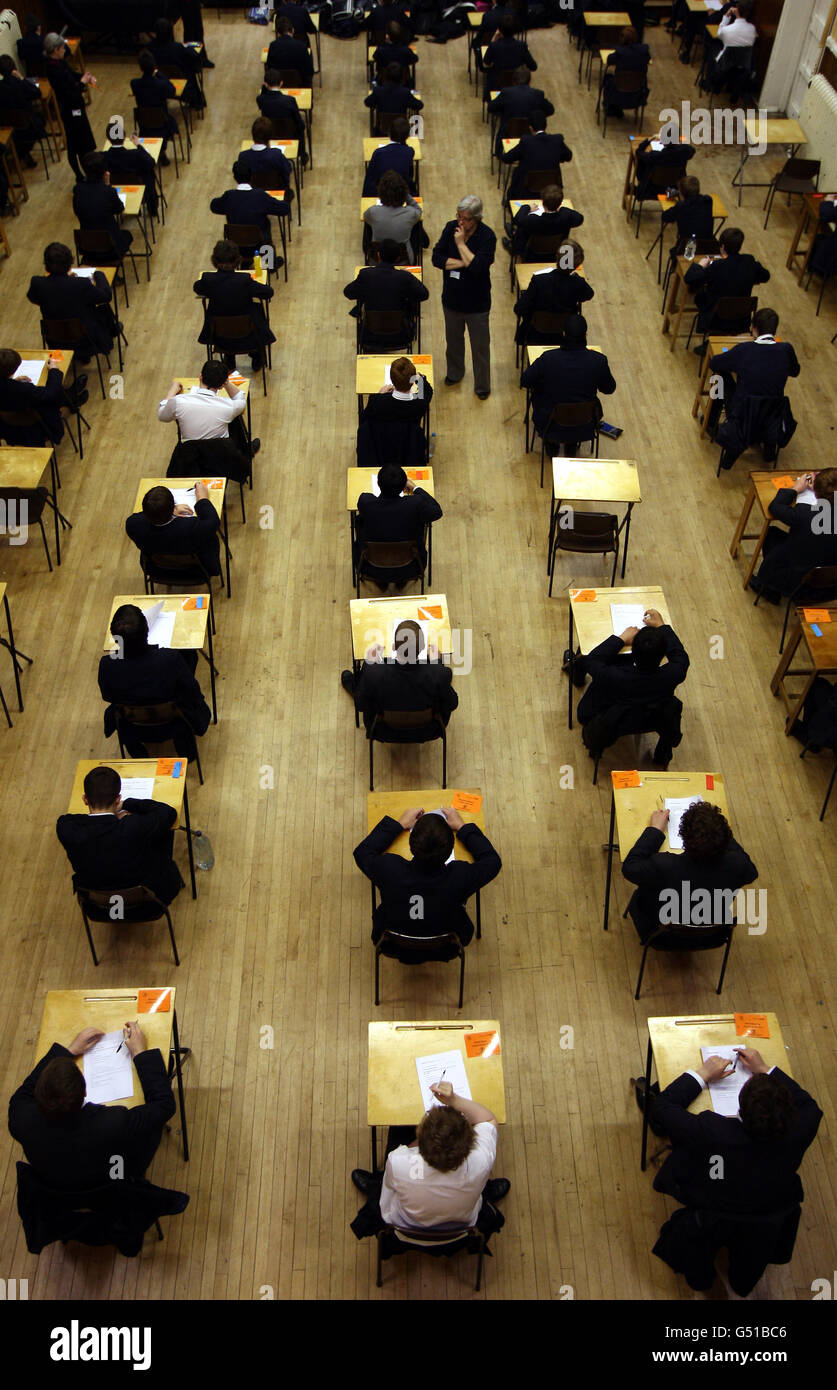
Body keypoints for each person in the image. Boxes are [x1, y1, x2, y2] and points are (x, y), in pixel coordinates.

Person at [644, 1047, 821, 1214]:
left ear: (741, 1108)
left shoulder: (711, 1132)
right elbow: (809, 1106)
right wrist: (764, 1069)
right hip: (769, 1203)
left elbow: (663, 1106)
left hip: (713, 1196)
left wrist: (704, 1073)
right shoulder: (804, 1125)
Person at [8, 1019, 177, 1191]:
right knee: (149, 1128)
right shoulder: (113, 1123)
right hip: (114, 1181)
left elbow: (25, 1090)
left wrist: (69, 1051)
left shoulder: (20, 1118)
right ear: (85, 1092)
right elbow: (164, 1105)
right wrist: (140, 1053)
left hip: (57, 1191)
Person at [349, 1080, 509, 1242]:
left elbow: (389, 1190)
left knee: (395, 1136)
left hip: (405, 1226)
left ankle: (373, 1185)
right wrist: (454, 1101)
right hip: (460, 1229)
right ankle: (485, 1190)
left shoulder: (398, 1161)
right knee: (479, 1180)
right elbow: (488, 1120)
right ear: (469, 1143)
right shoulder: (480, 1160)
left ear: (419, 1139)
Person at [352, 800, 501, 951]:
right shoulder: (460, 877)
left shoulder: (390, 870)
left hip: (391, 946)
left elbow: (362, 852)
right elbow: (493, 861)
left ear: (411, 845)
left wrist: (398, 825)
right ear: (450, 850)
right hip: (446, 950)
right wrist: (463, 827)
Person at [621, 802, 758, 942]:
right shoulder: (738, 865)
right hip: (712, 936)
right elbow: (752, 873)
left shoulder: (664, 866)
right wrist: (718, 832)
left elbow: (629, 867)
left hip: (661, 935)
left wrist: (655, 830)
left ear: (684, 838)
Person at [571, 609, 690, 766]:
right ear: (662, 655)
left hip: (614, 721)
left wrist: (620, 639)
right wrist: (662, 626)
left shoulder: (613, 676)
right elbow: (681, 657)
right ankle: (662, 756)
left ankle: (575, 674)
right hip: (652, 718)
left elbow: (591, 660)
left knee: (581, 668)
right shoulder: (672, 674)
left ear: (634, 648)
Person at [56, 762, 184, 904]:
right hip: (146, 901)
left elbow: (67, 819)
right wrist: (125, 805)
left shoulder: (66, 829)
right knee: (164, 833)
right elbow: (168, 813)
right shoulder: (132, 826)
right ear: (117, 799)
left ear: (85, 799)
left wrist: (105, 818)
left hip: (97, 902)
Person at [96, 605, 211, 760]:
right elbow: (192, 691)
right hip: (173, 723)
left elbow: (108, 696)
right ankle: (186, 750)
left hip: (132, 724)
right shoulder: (170, 659)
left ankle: (137, 752)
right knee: (190, 656)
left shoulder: (107, 665)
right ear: (147, 631)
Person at [709, 308, 800, 470]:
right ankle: (768, 446)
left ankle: (710, 422)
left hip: (742, 414)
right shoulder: (786, 349)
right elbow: (795, 371)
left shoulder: (745, 350)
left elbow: (715, 362)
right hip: (772, 414)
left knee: (719, 376)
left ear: (754, 327)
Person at [342, 618, 458, 734]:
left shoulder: (373, 673)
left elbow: (360, 704)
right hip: (427, 730)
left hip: (383, 730)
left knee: (366, 689)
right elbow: (452, 703)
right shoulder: (440, 674)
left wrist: (369, 664)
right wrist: (437, 664)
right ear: (423, 648)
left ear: (393, 647)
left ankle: (353, 682)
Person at [431, 195, 497, 399]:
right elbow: (437, 258)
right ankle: (455, 373)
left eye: (466, 219)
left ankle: (482, 385)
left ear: (476, 218)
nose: (460, 222)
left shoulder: (487, 236)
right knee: (453, 342)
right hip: (451, 300)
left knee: (480, 347)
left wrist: (460, 245)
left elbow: (478, 268)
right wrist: (464, 261)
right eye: (459, 216)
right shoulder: (450, 227)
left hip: (477, 305)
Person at [520, 314, 616, 445]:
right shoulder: (598, 360)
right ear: (585, 335)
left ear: (564, 334)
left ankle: (551, 444)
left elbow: (525, 380)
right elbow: (609, 388)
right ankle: (572, 443)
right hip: (584, 424)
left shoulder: (548, 358)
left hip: (550, 424)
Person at [749, 468, 837, 604]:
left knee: (771, 533)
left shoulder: (804, 513)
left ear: (817, 495)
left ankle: (769, 589)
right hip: (828, 587)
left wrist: (795, 489)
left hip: (796, 580)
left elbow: (775, 507)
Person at [193, 241, 274, 379]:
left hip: (219, 337)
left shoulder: (208, 279)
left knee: (223, 311)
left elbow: (197, 287)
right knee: (256, 308)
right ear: (238, 260)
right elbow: (268, 292)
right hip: (248, 336)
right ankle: (257, 355)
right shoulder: (244, 280)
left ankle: (229, 357)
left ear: (214, 260)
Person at [354, 461, 442, 587]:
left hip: (370, 566)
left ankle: (381, 581)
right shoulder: (415, 504)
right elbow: (436, 511)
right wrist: (415, 488)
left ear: (378, 484)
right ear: (403, 486)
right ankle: (400, 580)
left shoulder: (366, 502)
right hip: (411, 566)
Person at [27, 241, 116, 364]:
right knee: (104, 310)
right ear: (69, 263)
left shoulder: (38, 283)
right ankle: (111, 334)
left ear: (46, 264)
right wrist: (99, 274)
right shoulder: (81, 284)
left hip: (55, 339)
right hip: (85, 337)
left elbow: (33, 298)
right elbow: (106, 296)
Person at [158, 354, 257, 459]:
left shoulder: (178, 402)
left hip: (191, 458)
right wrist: (226, 382)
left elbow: (162, 415)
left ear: (200, 377)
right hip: (220, 459)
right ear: (221, 385)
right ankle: (246, 449)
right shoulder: (229, 406)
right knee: (235, 420)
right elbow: (240, 399)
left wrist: (172, 391)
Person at [684, 226, 770, 341]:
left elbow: (689, 278)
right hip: (741, 318)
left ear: (723, 246)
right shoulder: (749, 261)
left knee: (700, 297)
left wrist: (699, 265)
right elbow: (765, 276)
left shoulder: (717, 266)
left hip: (716, 319)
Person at [125, 481, 222, 583]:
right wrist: (202, 499)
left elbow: (140, 516)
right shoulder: (191, 528)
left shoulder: (133, 525)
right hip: (196, 572)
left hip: (157, 570)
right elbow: (213, 521)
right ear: (173, 506)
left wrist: (167, 511)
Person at [344, 239, 428, 349]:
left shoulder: (366, 274)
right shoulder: (404, 277)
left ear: (378, 255)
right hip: (401, 335)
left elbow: (348, 292)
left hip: (370, 335)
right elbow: (424, 294)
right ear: (398, 258)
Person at [356, 355, 432, 468]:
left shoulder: (377, 401)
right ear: (412, 381)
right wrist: (420, 379)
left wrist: (379, 394)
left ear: (392, 379)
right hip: (408, 449)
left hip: (380, 447)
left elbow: (364, 420)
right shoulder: (419, 403)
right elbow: (427, 391)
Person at [514, 240, 594, 344]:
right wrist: (577, 278)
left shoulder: (539, 281)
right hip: (563, 336)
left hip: (536, 335)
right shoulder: (578, 284)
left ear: (557, 257)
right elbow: (589, 294)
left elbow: (519, 308)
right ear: (575, 265)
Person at [209, 162, 290, 264]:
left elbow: (213, 206)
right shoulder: (260, 196)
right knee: (266, 233)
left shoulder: (229, 196)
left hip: (235, 245)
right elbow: (284, 209)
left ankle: (244, 263)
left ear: (234, 177)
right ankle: (270, 264)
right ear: (251, 176)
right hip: (260, 245)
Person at [43, 32, 96, 177]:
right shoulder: (53, 69)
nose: (65, 50)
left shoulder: (60, 62)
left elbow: (72, 74)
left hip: (76, 106)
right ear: (55, 50)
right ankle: (81, 175)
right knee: (76, 145)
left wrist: (85, 78)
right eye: (62, 48)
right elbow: (69, 93)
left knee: (82, 142)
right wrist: (82, 83)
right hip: (70, 109)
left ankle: (87, 172)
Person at [0, 348, 77, 446]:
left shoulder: (12, 386)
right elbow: (51, 394)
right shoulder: (23, 390)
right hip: (36, 428)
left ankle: (71, 397)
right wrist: (54, 370)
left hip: (7, 430)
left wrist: (12, 381)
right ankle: (72, 399)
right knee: (56, 395)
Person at [500, 110, 572, 202]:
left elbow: (507, 158)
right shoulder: (557, 140)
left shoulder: (526, 142)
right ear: (546, 125)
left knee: (517, 173)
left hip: (526, 190)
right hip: (551, 190)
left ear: (530, 127)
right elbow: (568, 156)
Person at [73, 151, 133, 257]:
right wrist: (108, 185)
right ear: (105, 171)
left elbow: (77, 211)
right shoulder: (108, 191)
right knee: (127, 235)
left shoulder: (77, 190)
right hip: (111, 248)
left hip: (87, 246)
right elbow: (119, 209)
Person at [488, 68, 554, 159]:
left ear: (513, 80)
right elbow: (551, 110)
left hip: (508, 133)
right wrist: (538, 115)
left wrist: (502, 111)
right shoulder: (537, 95)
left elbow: (491, 108)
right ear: (530, 81)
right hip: (530, 135)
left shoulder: (506, 93)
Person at [505, 185, 583, 259]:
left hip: (531, 253)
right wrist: (563, 210)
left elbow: (517, 219)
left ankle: (513, 245)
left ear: (542, 201)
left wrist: (527, 207)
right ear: (560, 203)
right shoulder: (566, 217)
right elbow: (580, 218)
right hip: (555, 250)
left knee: (522, 229)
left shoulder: (533, 220)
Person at [363, 169, 423, 263]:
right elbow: (419, 210)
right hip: (404, 261)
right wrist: (406, 195)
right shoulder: (411, 213)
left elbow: (365, 218)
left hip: (376, 261)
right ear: (403, 193)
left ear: (380, 193)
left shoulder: (373, 212)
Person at [101, 125, 159, 220]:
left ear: (108, 138)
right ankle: (152, 208)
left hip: (114, 189)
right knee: (148, 172)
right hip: (139, 190)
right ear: (124, 137)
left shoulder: (103, 157)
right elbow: (151, 162)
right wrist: (138, 145)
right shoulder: (135, 154)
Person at [130, 50, 178, 164]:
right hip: (162, 121)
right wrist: (159, 73)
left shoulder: (134, 83)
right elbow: (172, 90)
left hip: (144, 122)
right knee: (170, 123)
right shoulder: (161, 84)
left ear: (141, 68)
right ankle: (162, 151)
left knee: (154, 122)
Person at [149, 16, 205, 111]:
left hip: (160, 80)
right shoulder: (177, 47)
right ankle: (197, 100)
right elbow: (194, 55)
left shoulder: (150, 46)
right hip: (181, 83)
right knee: (191, 68)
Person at [0, 55, 46, 168]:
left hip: (8, 126)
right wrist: (22, 78)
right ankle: (22, 154)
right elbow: (37, 93)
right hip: (29, 126)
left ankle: (21, 153)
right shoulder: (20, 84)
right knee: (40, 118)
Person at [632, 127, 696, 203]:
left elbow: (639, 152)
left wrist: (650, 139)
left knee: (641, 164)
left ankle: (636, 190)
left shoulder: (655, 156)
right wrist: (678, 145)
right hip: (674, 189)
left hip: (653, 190)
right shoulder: (683, 153)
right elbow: (691, 149)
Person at [236, 117, 294, 199]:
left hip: (252, 196)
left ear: (253, 135)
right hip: (276, 195)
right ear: (270, 136)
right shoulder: (276, 155)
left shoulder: (243, 157)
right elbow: (288, 170)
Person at [258, 71, 308, 163]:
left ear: (265, 84)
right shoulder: (290, 101)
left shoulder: (261, 100)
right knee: (300, 127)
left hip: (270, 134)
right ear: (281, 83)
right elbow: (300, 124)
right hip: (290, 135)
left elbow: (261, 96)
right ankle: (302, 156)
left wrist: (264, 87)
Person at [481, 15, 536, 98]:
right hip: (517, 88)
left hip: (497, 89)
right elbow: (533, 67)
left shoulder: (494, 46)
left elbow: (485, 63)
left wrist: (493, 40)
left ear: (499, 30)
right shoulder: (522, 46)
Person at [362, 115, 417, 197]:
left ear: (389, 133)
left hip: (381, 193)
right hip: (401, 194)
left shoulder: (378, 153)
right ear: (407, 136)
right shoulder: (409, 151)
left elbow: (370, 179)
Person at [660, 174, 714, 258]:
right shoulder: (708, 200)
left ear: (681, 192)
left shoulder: (681, 206)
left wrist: (679, 201)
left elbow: (665, 217)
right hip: (707, 247)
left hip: (686, 249)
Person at [602, 25, 650, 118]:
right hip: (637, 93)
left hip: (617, 93)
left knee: (607, 77)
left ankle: (611, 107)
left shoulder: (620, 53)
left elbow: (609, 60)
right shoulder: (643, 52)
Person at [365, 63, 422, 134]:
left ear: (385, 76)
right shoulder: (405, 92)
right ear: (402, 77)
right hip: (401, 130)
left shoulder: (378, 91)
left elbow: (367, 102)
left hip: (382, 130)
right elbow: (419, 105)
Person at [265, 17, 315, 86]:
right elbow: (309, 71)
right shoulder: (302, 46)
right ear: (293, 30)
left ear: (278, 33)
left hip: (278, 84)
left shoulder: (273, 46)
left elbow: (270, 68)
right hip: (299, 84)